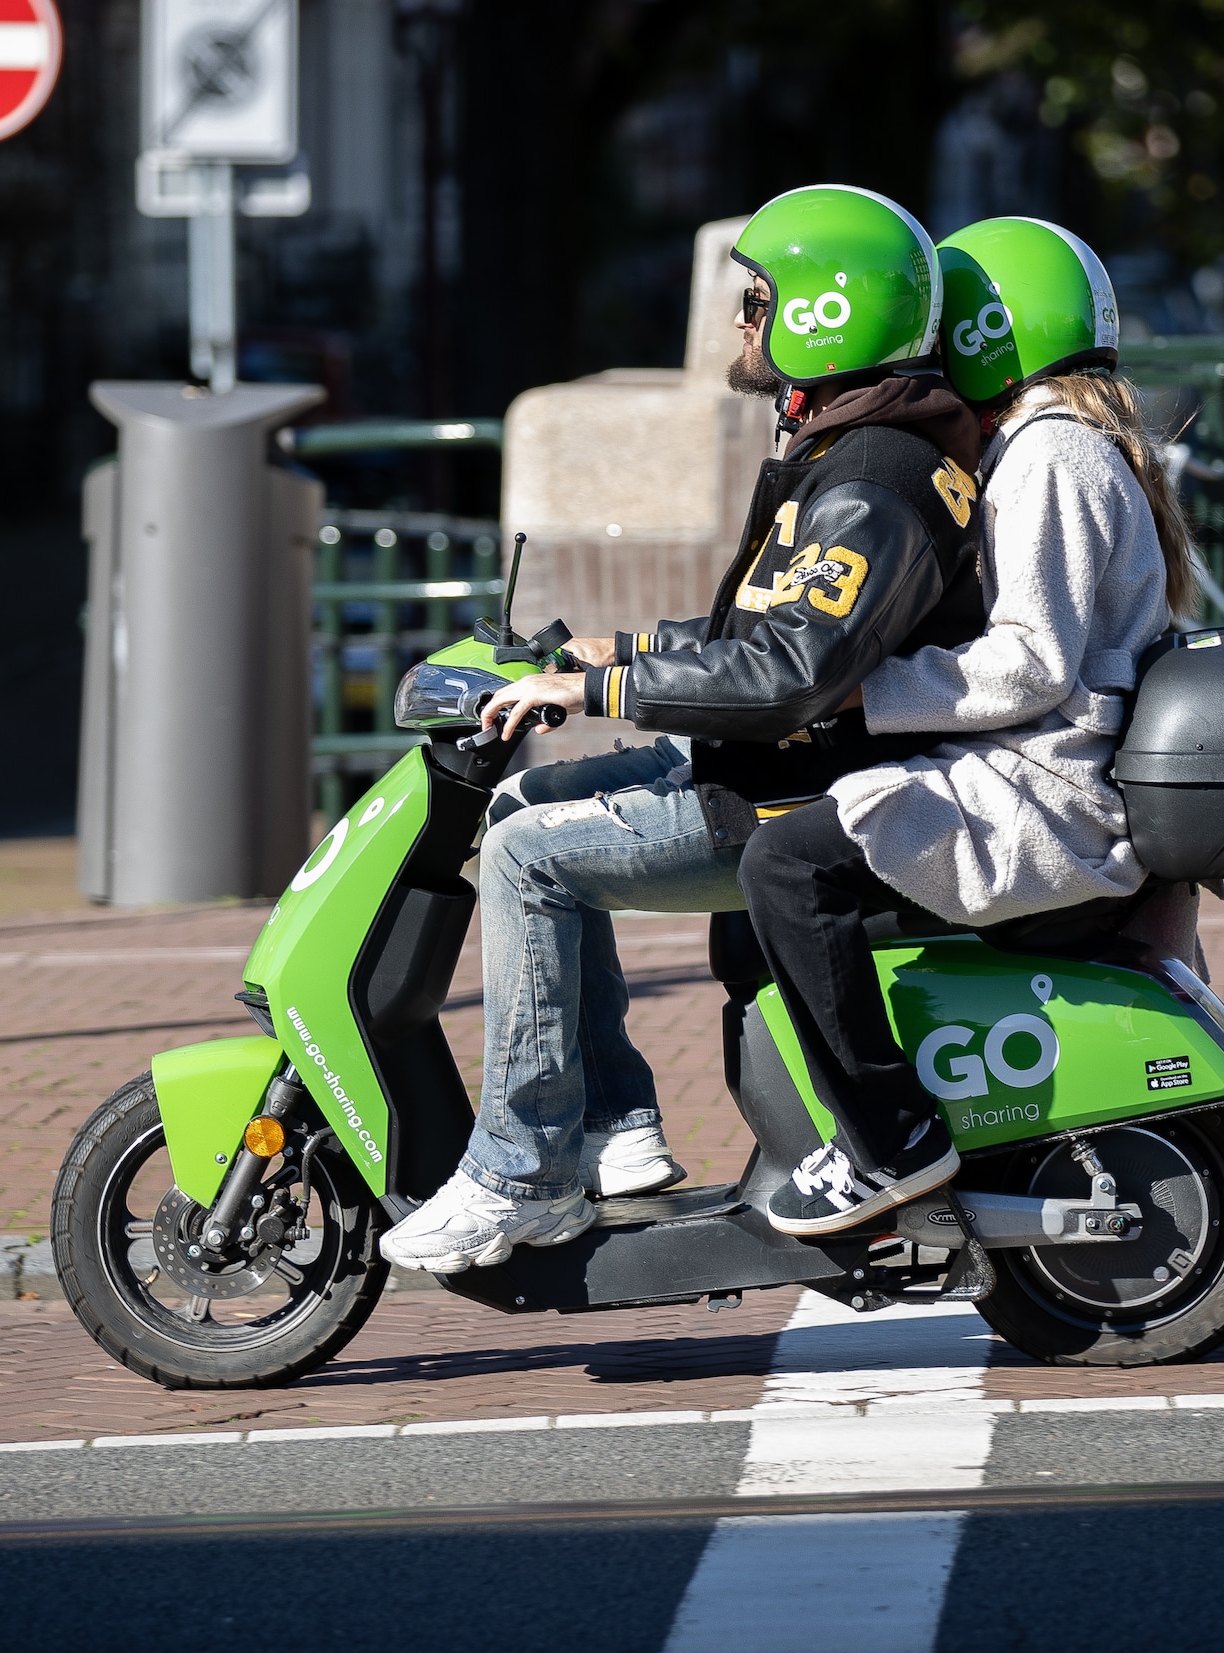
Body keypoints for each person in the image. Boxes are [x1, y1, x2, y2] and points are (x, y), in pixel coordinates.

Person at [379, 184, 987, 1274]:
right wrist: (605, 655)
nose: (741, 323)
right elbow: (763, 630)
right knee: (523, 801)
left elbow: (790, 673)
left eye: (757, 302)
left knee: (526, 858)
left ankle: (521, 1173)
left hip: (808, 798)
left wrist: (600, 697)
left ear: (822, 316)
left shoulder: (873, 481)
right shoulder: (848, 452)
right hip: (773, 767)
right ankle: (614, 1131)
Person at [735, 216, 1206, 1236]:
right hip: (1043, 771)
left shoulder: (1046, 455)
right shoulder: (1079, 443)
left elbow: (1027, 666)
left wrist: (864, 688)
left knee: (785, 868)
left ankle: (887, 1138)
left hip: (1042, 792)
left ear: (992, 329)